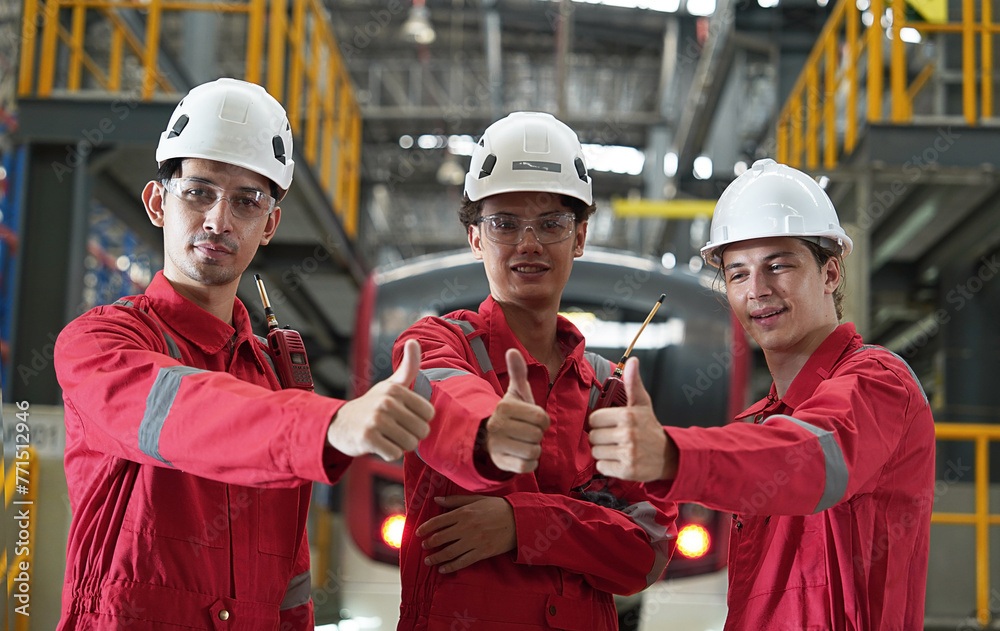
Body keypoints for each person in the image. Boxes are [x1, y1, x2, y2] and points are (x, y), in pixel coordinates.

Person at [53, 78, 434, 630]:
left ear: (270, 225)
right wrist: (330, 424)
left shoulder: (278, 378)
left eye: (246, 201)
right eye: (198, 191)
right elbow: (184, 412)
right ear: (158, 202)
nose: (219, 220)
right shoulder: (100, 343)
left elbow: (290, 572)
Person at [587, 158, 936, 629]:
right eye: (738, 274)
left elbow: (808, 459)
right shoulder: (755, 423)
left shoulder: (879, 383)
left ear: (830, 274)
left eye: (778, 265)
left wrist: (670, 454)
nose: (758, 290)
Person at [391, 112, 677, 631]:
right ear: (475, 237)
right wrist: (491, 435)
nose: (529, 244)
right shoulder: (434, 346)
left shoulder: (609, 392)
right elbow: (449, 411)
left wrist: (521, 522)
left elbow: (647, 549)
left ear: (581, 236)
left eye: (552, 224)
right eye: (504, 224)